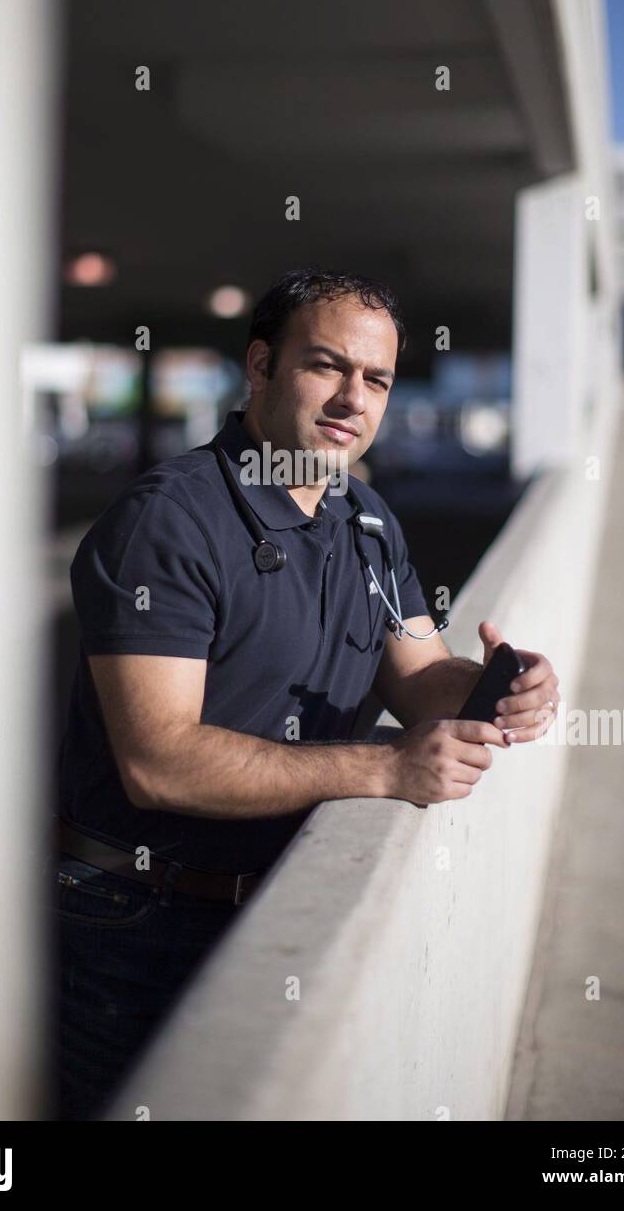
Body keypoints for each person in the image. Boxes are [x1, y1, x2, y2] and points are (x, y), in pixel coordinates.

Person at [49, 268, 559, 1119]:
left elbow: (424, 677)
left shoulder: (365, 520)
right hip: (133, 922)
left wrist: (503, 690)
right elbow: (159, 762)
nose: (352, 398)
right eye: (327, 366)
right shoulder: (169, 521)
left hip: (269, 904)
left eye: (377, 379)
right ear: (260, 367)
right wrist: (386, 769)